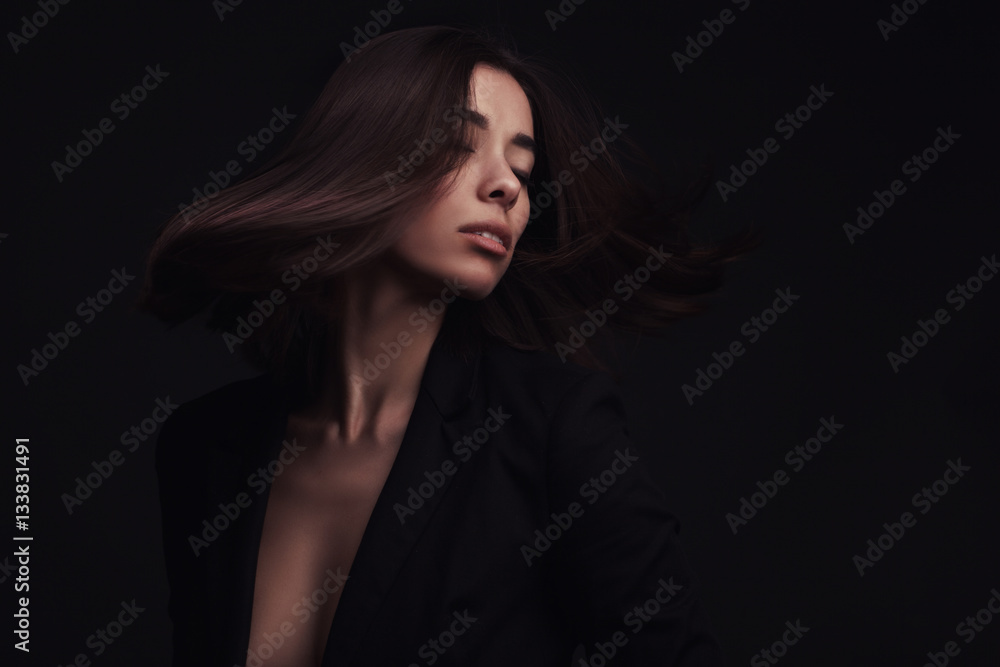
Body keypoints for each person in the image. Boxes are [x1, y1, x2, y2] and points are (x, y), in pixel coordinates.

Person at [139, 24, 752, 666]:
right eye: (461, 145)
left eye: (522, 168)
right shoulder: (203, 449)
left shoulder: (552, 431)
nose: (508, 187)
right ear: (363, 155)